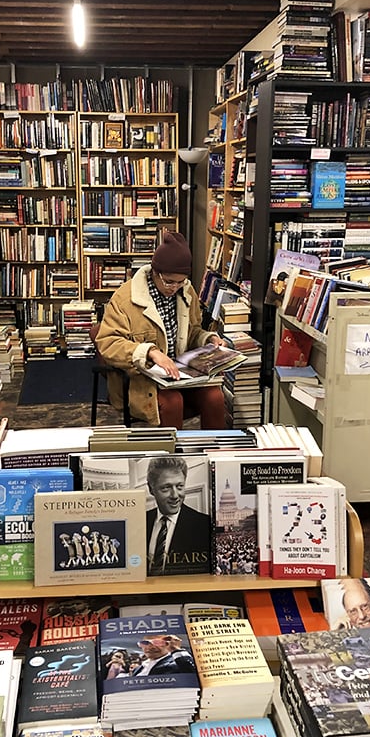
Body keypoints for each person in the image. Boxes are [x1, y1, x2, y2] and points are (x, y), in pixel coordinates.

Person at [95, 231, 227, 428]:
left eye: (180, 281)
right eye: (169, 281)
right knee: (172, 402)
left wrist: (207, 339)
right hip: (143, 379)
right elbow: (108, 343)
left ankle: (215, 454)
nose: (174, 287)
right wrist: (150, 352)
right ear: (155, 272)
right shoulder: (125, 298)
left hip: (182, 374)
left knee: (215, 396)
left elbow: (192, 331)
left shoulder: (186, 291)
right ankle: (172, 458)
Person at [146, 455, 210, 575]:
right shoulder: (140, 520)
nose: (175, 495)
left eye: (180, 486)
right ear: (151, 488)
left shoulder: (204, 525)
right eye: (166, 488)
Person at [132, 634, 196, 676]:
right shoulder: (139, 668)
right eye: (144, 643)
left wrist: (176, 649)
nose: (150, 647)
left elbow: (191, 673)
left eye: (157, 642)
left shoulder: (178, 663)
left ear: (168, 644)